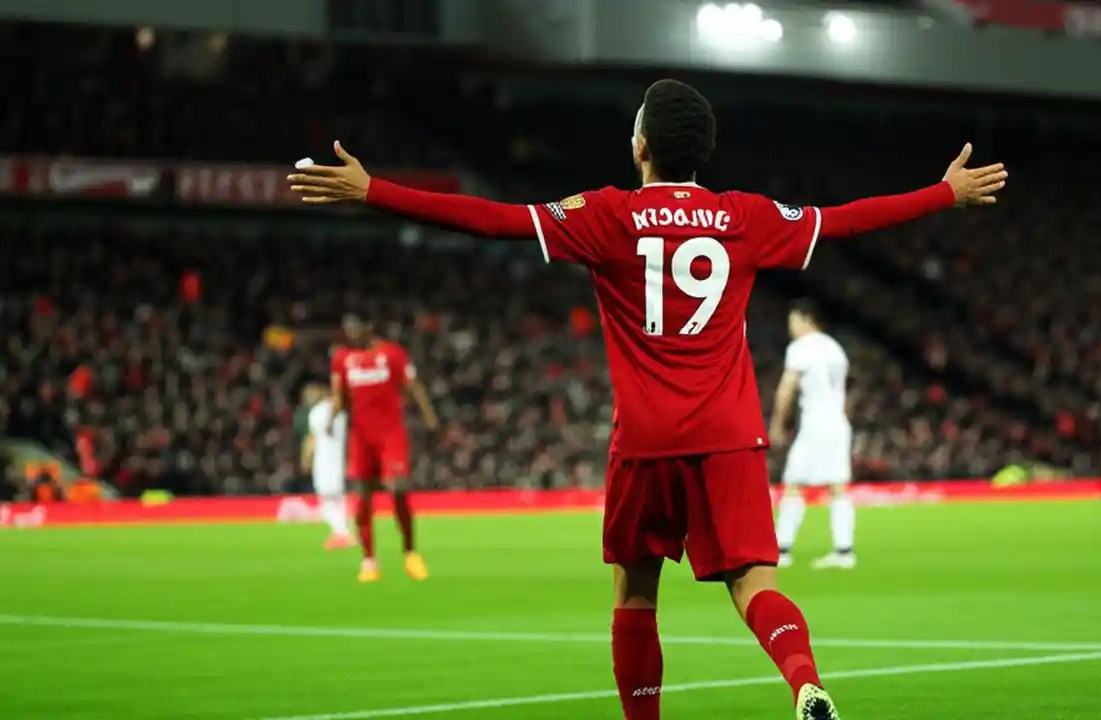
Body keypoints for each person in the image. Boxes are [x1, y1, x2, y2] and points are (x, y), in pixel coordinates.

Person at [289, 78, 1006, 720]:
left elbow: (494, 218)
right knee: (754, 586)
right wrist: (944, 192)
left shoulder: (607, 216)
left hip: (645, 442)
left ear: (639, 147)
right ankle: (805, 683)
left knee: (635, 599)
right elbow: (848, 219)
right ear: (702, 154)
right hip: (729, 436)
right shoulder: (748, 217)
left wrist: (372, 190)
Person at [329, 314, 440, 583]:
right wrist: (331, 421)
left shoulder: (392, 354)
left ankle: (410, 553)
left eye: (355, 329)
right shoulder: (343, 358)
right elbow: (339, 396)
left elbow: (413, 387)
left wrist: (429, 417)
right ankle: (369, 561)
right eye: (347, 330)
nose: (351, 335)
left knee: (398, 489)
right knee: (363, 497)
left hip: (390, 435)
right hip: (361, 437)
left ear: (369, 328)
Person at [769, 299, 856, 570]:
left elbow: (787, 388)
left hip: (815, 424)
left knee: (793, 483)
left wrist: (777, 424)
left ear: (807, 319)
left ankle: (782, 550)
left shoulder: (801, 348)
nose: (791, 327)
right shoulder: (836, 349)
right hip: (838, 424)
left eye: (793, 321)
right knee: (838, 487)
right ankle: (844, 552)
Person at [300, 382, 355, 550]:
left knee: (326, 498)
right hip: (338, 460)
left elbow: (312, 438)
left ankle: (342, 533)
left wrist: (306, 458)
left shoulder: (317, 412)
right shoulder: (340, 412)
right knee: (337, 498)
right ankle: (342, 532)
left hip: (323, 461)